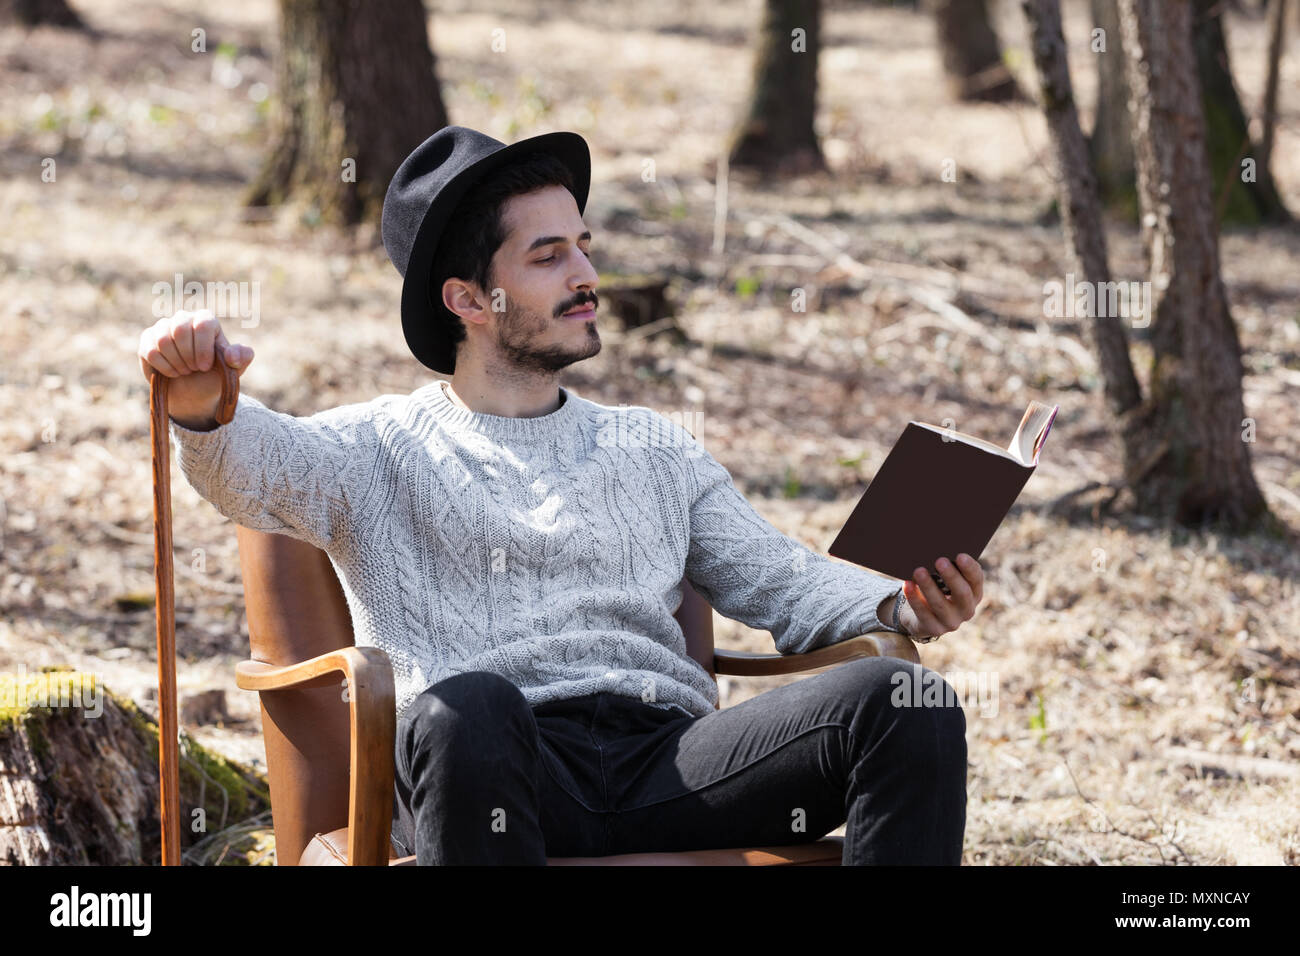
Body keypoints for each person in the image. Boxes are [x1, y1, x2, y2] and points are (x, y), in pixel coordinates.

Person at [137, 126, 981, 866]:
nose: (586, 274)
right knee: (469, 705)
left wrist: (899, 603)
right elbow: (246, 467)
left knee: (907, 701)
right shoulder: (374, 446)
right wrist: (202, 401)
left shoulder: (651, 445)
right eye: (548, 257)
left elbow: (782, 580)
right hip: (500, 772)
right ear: (468, 299)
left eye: (582, 244)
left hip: (673, 766)